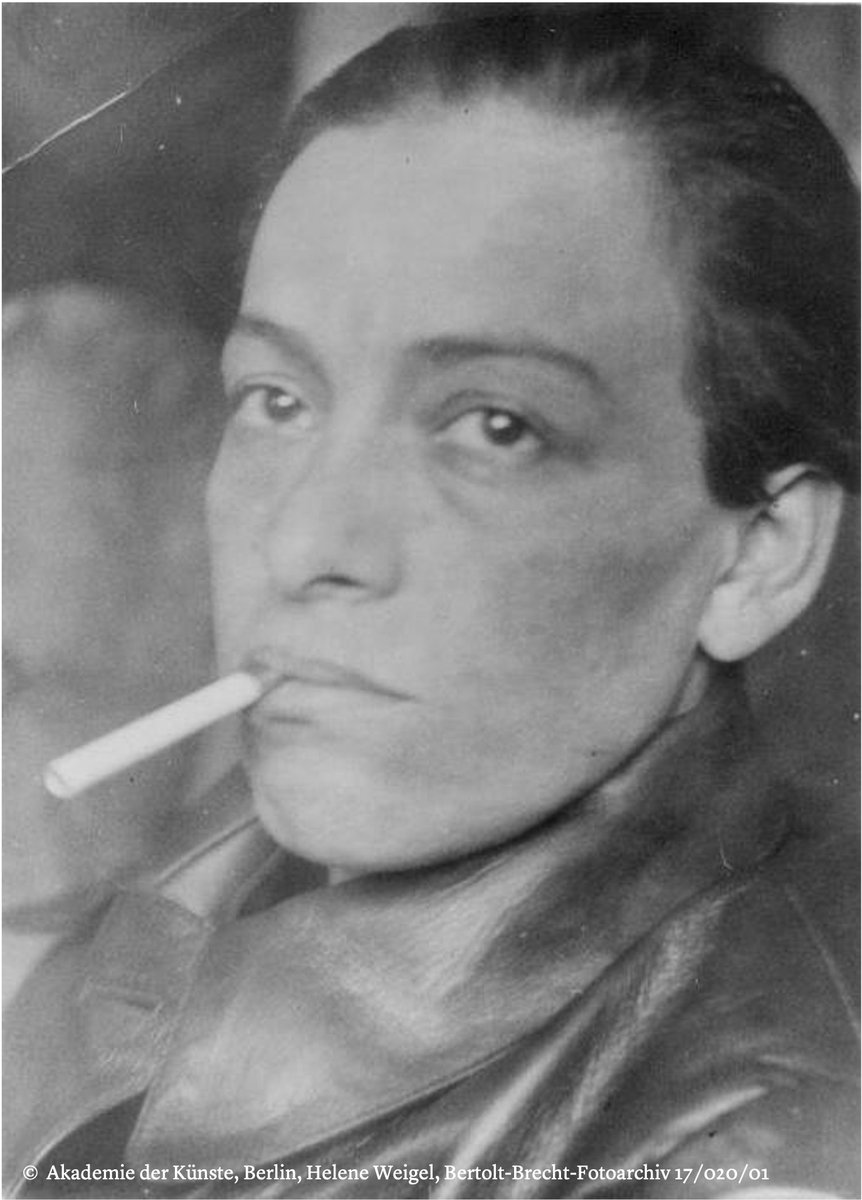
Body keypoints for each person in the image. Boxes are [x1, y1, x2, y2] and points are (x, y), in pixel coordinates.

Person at [4, 12, 858, 1198]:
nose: (305, 543)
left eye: (496, 427)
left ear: (758, 554)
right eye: (277, 400)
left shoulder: (760, 1148)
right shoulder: (198, 876)